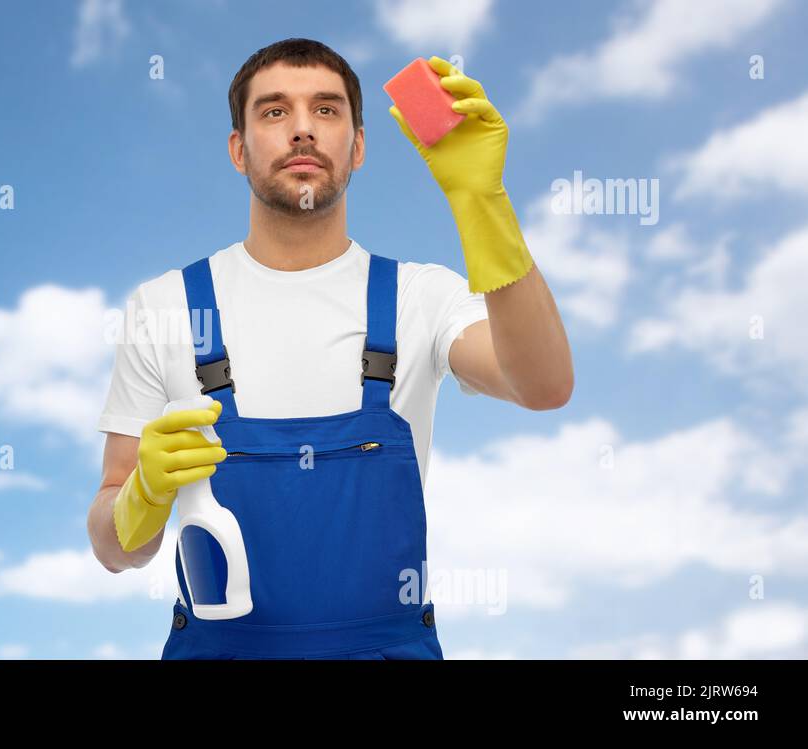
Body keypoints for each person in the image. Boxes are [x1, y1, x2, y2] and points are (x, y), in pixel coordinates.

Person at [87, 38, 573, 660]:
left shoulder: (421, 297)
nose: (302, 129)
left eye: (325, 109)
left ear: (358, 146)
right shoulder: (164, 307)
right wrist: (142, 498)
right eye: (273, 111)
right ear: (238, 150)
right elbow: (114, 551)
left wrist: (483, 201)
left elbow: (544, 384)